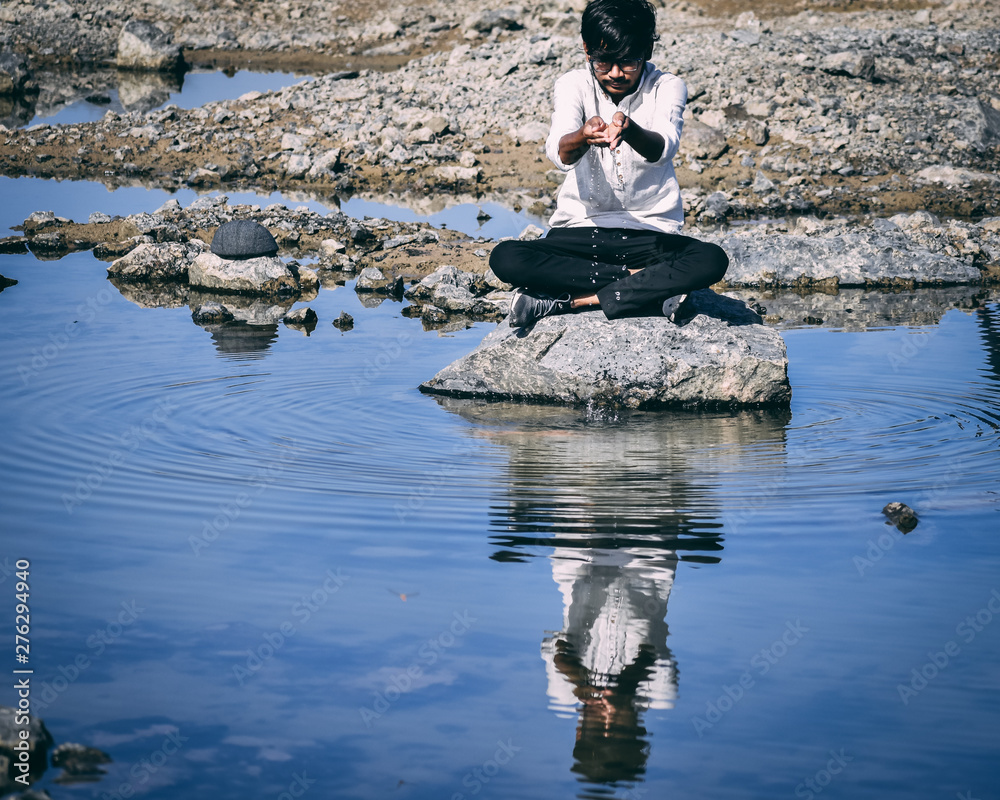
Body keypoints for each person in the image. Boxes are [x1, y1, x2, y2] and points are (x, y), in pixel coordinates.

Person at [489, 0, 729, 329]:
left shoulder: (666, 86)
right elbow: (559, 152)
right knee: (505, 257)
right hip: (581, 233)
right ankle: (647, 286)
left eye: (628, 61)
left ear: (646, 48)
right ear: (587, 50)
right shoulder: (573, 84)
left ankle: (572, 300)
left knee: (711, 259)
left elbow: (663, 146)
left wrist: (630, 130)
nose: (616, 73)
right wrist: (583, 136)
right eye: (604, 62)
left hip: (651, 234)